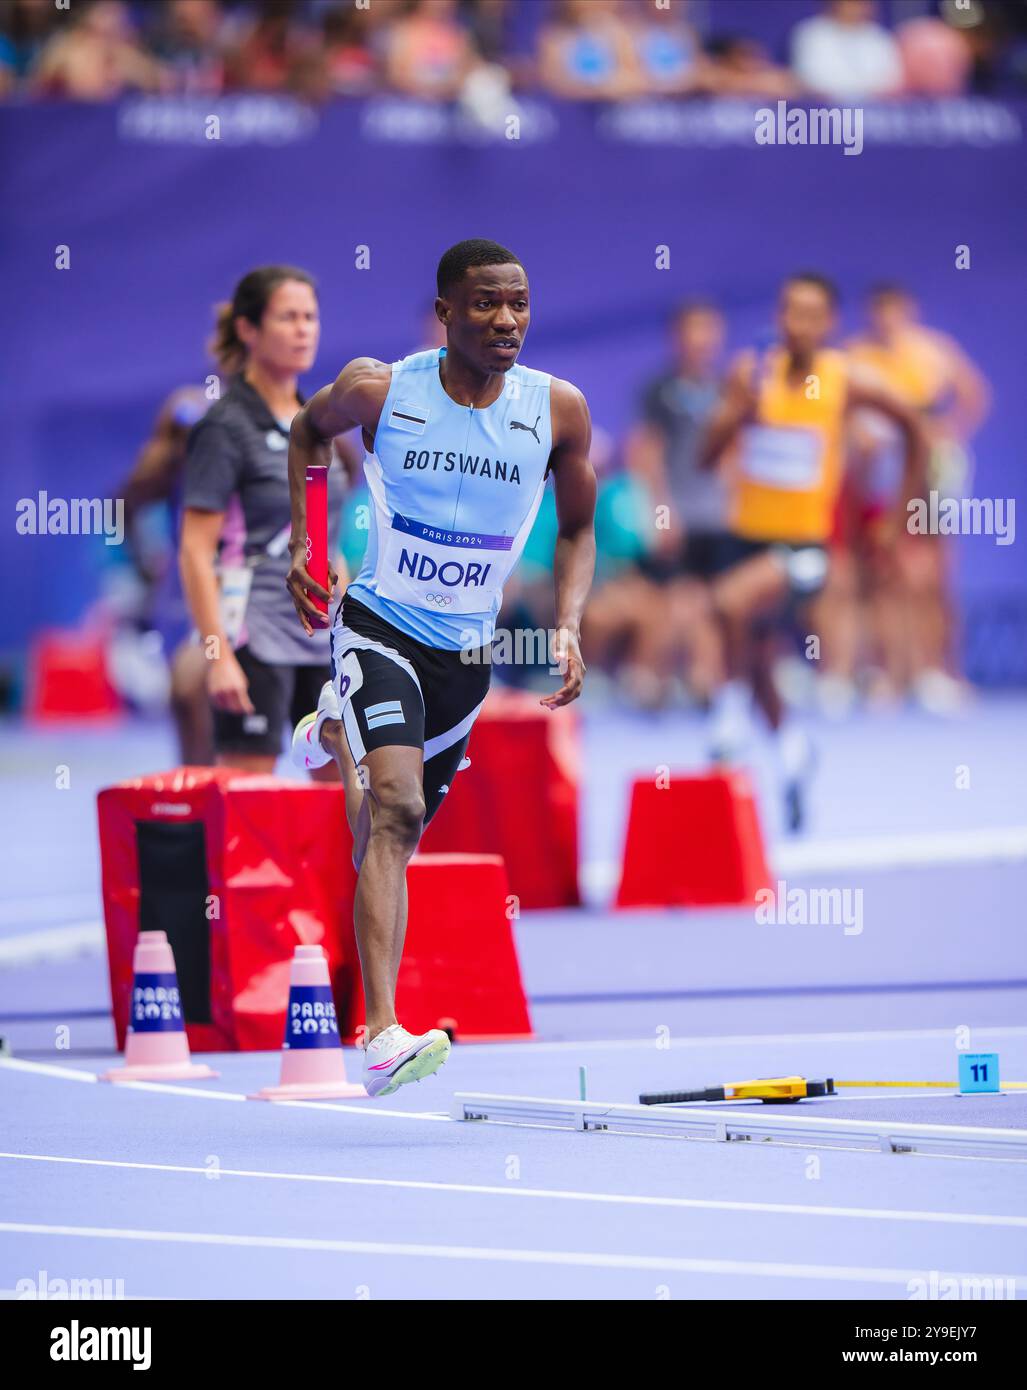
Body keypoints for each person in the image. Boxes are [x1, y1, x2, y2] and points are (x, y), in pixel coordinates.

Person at [285, 239, 595, 1096]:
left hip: (466, 652)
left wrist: (566, 623)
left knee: (386, 829)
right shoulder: (380, 390)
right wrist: (311, 543)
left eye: (519, 304)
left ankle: (332, 731)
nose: (507, 321)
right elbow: (308, 435)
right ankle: (381, 1032)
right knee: (397, 808)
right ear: (445, 313)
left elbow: (575, 528)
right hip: (380, 620)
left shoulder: (558, 410)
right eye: (487, 303)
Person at [701, 273, 927, 830]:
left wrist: (900, 517)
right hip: (742, 538)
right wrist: (737, 417)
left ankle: (727, 726)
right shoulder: (749, 374)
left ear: (829, 323)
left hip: (805, 546)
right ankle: (794, 754)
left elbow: (915, 431)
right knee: (757, 662)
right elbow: (706, 459)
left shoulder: (845, 378)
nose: (797, 324)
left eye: (810, 315)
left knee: (727, 604)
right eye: (788, 312)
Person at [179, 265, 349, 778]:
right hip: (253, 635)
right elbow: (194, 550)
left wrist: (353, 629)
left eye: (310, 317)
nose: (303, 329)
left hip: (319, 636)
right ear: (249, 330)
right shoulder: (225, 428)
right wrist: (218, 657)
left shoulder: (319, 422)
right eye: (287, 317)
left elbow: (325, 538)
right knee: (250, 794)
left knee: (338, 787)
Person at [844, 283, 990, 712]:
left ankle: (940, 671)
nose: (887, 320)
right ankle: (888, 673)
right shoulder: (856, 356)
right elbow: (841, 411)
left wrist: (949, 430)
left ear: (910, 312)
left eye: (896, 312)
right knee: (883, 572)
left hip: (932, 469)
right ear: (871, 314)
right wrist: (861, 439)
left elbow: (974, 394)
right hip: (883, 473)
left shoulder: (933, 350)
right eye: (880, 312)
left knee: (934, 574)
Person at [627, 301, 731, 702]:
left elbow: (733, 455)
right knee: (671, 598)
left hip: (716, 518)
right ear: (677, 338)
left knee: (705, 600)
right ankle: (650, 678)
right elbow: (646, 452)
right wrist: (660, 510)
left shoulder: (725, 390)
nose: (701, 341)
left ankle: (704, 680)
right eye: (693, 331)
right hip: (675, 515)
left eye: (709, 332)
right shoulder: (659, 393)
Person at [790, 0, 903, 101]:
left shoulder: (879, 37)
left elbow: (891, 80)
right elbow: (811, 78)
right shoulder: (812, 33)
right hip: (823, 110)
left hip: (876, 112)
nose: (856, 7)